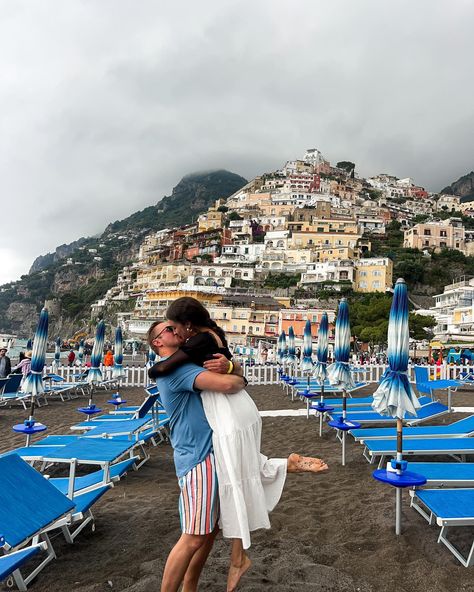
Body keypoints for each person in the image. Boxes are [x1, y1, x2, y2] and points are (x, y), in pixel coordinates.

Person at [148, 298, 328, 591]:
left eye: (175, 324)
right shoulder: (175, 370)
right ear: (158, 342)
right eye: (169, 329)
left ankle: (190, 586)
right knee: (194, 535)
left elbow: (226, 362)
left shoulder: (188, 359)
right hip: (198, 459)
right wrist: (237, 375)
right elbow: (230, 384)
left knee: (207, 533)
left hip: (211, 451)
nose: (177, 330)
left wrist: (232, 365)